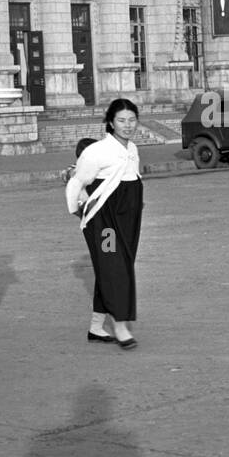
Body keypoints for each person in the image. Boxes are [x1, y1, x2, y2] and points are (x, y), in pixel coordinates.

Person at [65, 98, 143, 350]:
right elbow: (76, 183)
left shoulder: (132, 149)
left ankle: (96, 327)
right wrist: (79, 212)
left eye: (132, 120)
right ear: (111, 122)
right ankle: (120, 326)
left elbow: (131, 180)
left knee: (118, 265)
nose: (127, 125)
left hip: (128, 219)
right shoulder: (96, 151)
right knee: (115, 266)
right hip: (104, 222)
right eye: (121, 120)